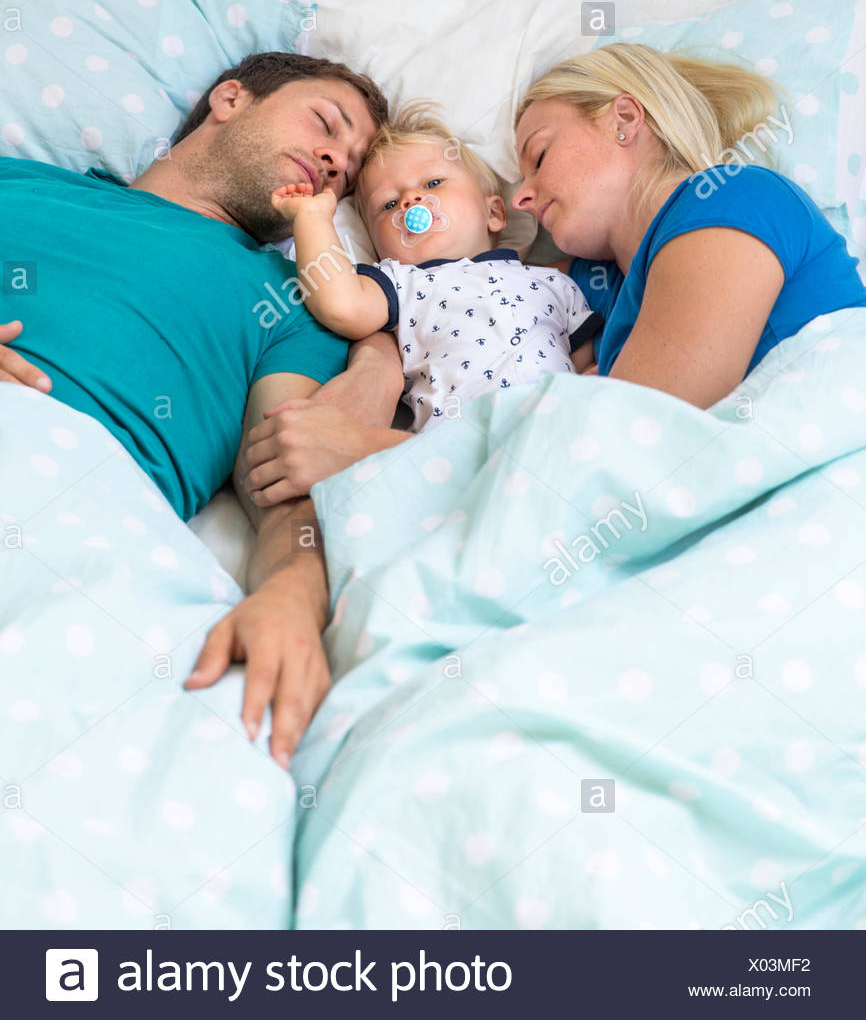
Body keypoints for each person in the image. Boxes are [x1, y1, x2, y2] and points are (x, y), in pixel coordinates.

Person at [238, 42, 866, 512]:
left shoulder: (731, 199)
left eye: (537, 156)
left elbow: (629, 446)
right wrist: (377, 358)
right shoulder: (610, 289)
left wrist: (366, 452)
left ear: (626, 118)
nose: (525, 199)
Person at [0, 51, 405, 772]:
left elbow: (286, 482)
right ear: (229, 99)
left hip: (79, 512)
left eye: (348, 165)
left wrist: (291, 594)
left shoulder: (292, 302)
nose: (334, 161)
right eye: (326, 124)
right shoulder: (19, 184)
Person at [269, 103, 601, 429]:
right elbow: (340, 303)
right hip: (455, 448)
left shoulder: (553, 282)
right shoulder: (400, 284)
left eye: (432, 184)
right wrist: (312, 219)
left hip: (555, 429)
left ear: (495, 213)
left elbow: (584, 364)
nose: (411, 200)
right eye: (389, 204)